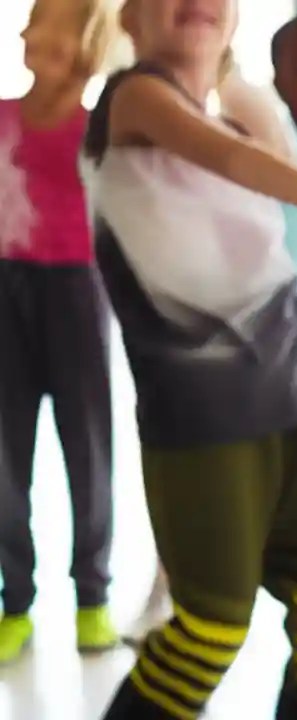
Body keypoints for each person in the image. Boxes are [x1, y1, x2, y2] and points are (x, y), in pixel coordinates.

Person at [87, 0, 297, 716]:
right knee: (208, 632)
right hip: (201, 421)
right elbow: (233, 159)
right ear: (130, 18)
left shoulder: (242, 122)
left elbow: (248, 150)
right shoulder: (135, 99)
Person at [0, 0, 118, 664]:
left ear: (84, 45)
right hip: (5, 292)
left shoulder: (98, 128)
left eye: (53, 27)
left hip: (76, 292)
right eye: (31, 24)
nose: (32, 35)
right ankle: (14, 600)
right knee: (4, 456)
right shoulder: (1, 116)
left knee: (88, 449)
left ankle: (92, 597)